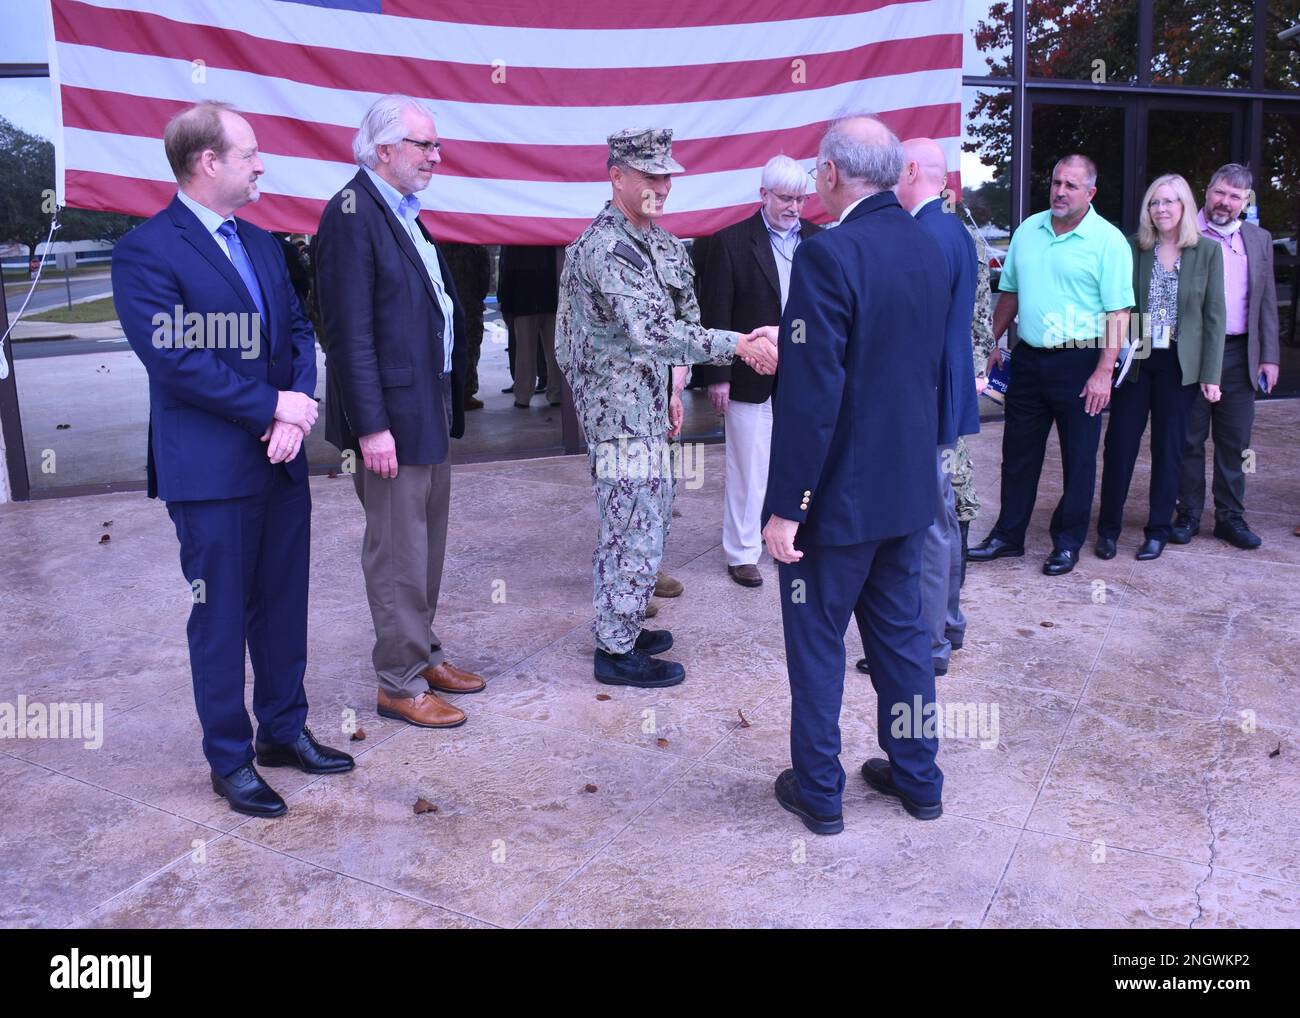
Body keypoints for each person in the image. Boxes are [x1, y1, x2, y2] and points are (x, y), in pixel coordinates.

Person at [112, 100, 353, 818]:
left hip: (278, 461)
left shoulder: (262, 240)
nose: (261, 165)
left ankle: (283, 731)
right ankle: (231, 758)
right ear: (207, 162)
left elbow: (298, 328)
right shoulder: (146, 251)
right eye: (249, 153)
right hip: (211, 472)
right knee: (218, 616)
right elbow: (175, 358)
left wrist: (295, 405)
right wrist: (271, 408)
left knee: (282, 604)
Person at [763, 114, 948, 835]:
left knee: (817, 647)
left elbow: (815, 399)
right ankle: (917, 776)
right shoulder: (929, 244)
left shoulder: (826, 256)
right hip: (905, 493)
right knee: (902, 643)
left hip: (836, 504)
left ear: (833, 174)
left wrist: (788, 507)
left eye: (817, 170)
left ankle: (820, 792)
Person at [556, 127, 778, 688]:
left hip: (650, 405)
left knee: (649, 519)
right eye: (650, 176)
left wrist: (676, 383)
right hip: (617, 415)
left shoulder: (655, 240)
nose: (663, 185)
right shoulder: (607, 248)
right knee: (629, 525)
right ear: (616, 177)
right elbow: (653, 330)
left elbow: (682, 313)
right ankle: (614, 649)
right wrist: (738, 346)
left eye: (667, 175)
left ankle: (624, 623)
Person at [314, 94, 484, 730]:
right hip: (388, 418)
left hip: (426, 405)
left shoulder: (403, 211)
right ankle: (398, 682)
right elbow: (348, 334)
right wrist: (373, 427)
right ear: (383, 150)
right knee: (397, 552)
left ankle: (424, 653)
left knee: (426, 545)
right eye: (424, 145)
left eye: (436, 145)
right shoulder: (353, 212)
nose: (435, 157)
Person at [967, 154, 1134, 576]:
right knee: (1018, 454)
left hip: (1081, 363)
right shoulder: (1028, 230)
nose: (1060, 191)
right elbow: (1011, 293)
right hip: (1029, 359)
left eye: (1071, 185)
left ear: (1090, 193)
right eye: (1056, 182)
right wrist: (991, 343)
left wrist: (1103, 372)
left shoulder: (1108, 241)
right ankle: (1008, 536)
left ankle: (1067, 542)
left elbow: (1119, 313)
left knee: (1078, 458)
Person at [697, 155, 820, 588]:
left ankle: (792, 538)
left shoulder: (818, 241)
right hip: (749, 373)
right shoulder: (729, 243)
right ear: (763, 194)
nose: (794, 208)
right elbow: (716, 313)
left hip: (807, 372)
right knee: (748, 468)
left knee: (803, 458)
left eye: (801, 199)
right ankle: (742, 552)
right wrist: (718, 376)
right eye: (786, 198)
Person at [1096, 174, 1225, 561]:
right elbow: (1117, 305)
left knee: (1170, 449)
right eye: (1154, 202)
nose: (1161, 209)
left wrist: (1211, 374)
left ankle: (1157, 529)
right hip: (1136, 360)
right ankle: (1108, 529)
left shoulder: (1206, 252)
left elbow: (1214, 316)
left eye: (1169, 201)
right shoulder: (1133, 248)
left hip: (1179, 365)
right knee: (1119, 446)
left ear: (1184, 206)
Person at [891, 137, 978, 676]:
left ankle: (929, 643)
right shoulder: (954, 229)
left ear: (914, 170)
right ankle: (949, 623)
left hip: (927, 397)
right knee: (942, 514)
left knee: (929, 521)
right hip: (944, 392)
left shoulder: (925, 232)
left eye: (895, 171)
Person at [1173, 164, 1280, 550]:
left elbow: (1266, 301)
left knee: (1235, 442)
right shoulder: (1184, 232)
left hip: (1240, 352)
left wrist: (1269, 356)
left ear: (1245, 201)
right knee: (1189, 437)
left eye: (1236, 196)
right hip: (1193, 352)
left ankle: (1229, 517)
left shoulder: (1259, 238)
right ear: (1207, 191)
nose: (1225, 202)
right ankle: (1186, 514)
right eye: (1220, 192)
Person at [497, 245, 562, 407]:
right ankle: (555, 394)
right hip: (547, 301)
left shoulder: (514, 241)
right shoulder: (550, 236)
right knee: (554, 352)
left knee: (527, 353)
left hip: (527, 302)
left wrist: (506, 306)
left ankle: (523, 396)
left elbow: (506, 271)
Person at [440, 242, 492, 410]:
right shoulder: (475, 245)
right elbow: (484, 278)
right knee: (469, 349)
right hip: (469, 305)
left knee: (447, 348)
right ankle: (465, 393)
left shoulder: (441, 244)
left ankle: (449, 391)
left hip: (446, 305)